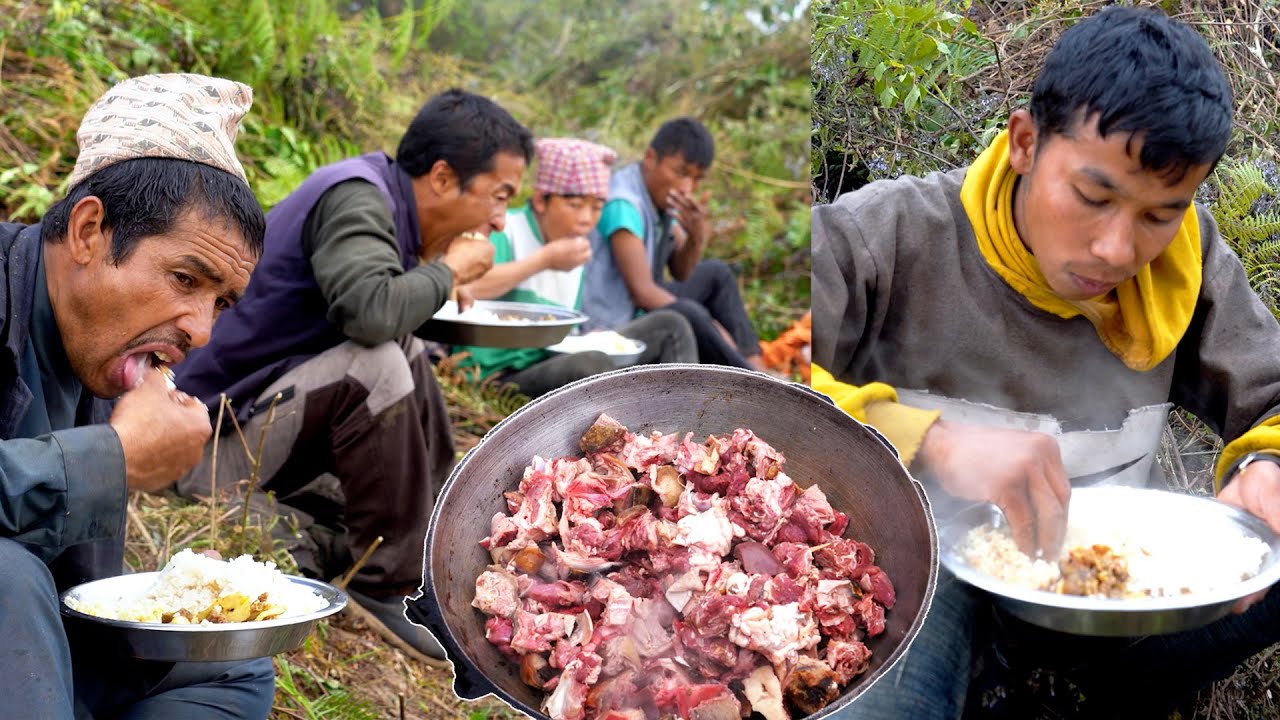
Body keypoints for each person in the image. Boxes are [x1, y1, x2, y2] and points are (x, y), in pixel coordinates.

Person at [811, 8, 1280, 719]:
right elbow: (736, 367)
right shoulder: (887, 236)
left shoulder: (1187, 264)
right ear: (1025, 142)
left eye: (1161, 214)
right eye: (1093, 197)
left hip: (1104, 590)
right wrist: (924, 438)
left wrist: (1264, 470)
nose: (1118, 251)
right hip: (924, 573)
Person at [173, 88, 532, 665]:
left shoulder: (380, 201)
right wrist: (447, 270)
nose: (497, 218)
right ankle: (380, 584)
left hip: (261, 423)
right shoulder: (356, 199)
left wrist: (431, 267)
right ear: (442, 177)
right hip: (207, 446)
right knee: (378, 360)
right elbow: (369, 313)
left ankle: (439, 532)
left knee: (406, 351)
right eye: (498, 196)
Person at [0, 73, 271, 718]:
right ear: (90, 231)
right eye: (185, 278)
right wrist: (108, 460)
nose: (201, 330)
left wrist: (182, 590)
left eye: (220, 302)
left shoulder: (100, 351)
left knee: (230, 665)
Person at [461, 137, 698, 397]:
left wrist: (588, 337)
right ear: (541, 200)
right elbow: (467, 287)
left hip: (552, 359)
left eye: (596, 208)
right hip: (496, 377)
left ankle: (684, 419)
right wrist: (543, 260)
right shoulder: (506, 231)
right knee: (591, 365)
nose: (586, 219)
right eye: (575, 205)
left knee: (671, 325)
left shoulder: (576, 252)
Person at [582, 117, 763, 370]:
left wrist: (697, 235)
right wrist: (711, 326)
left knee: (717, 275)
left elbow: (681, 271)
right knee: (690, 313)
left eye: (697, 179)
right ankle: (749, 377)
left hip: (637, 307)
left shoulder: (660, 198)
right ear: (650, 158)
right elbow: (643, 292)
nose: (687, 187)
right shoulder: (624, 204)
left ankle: (758, 367)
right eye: (681, 173)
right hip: (611, 322)